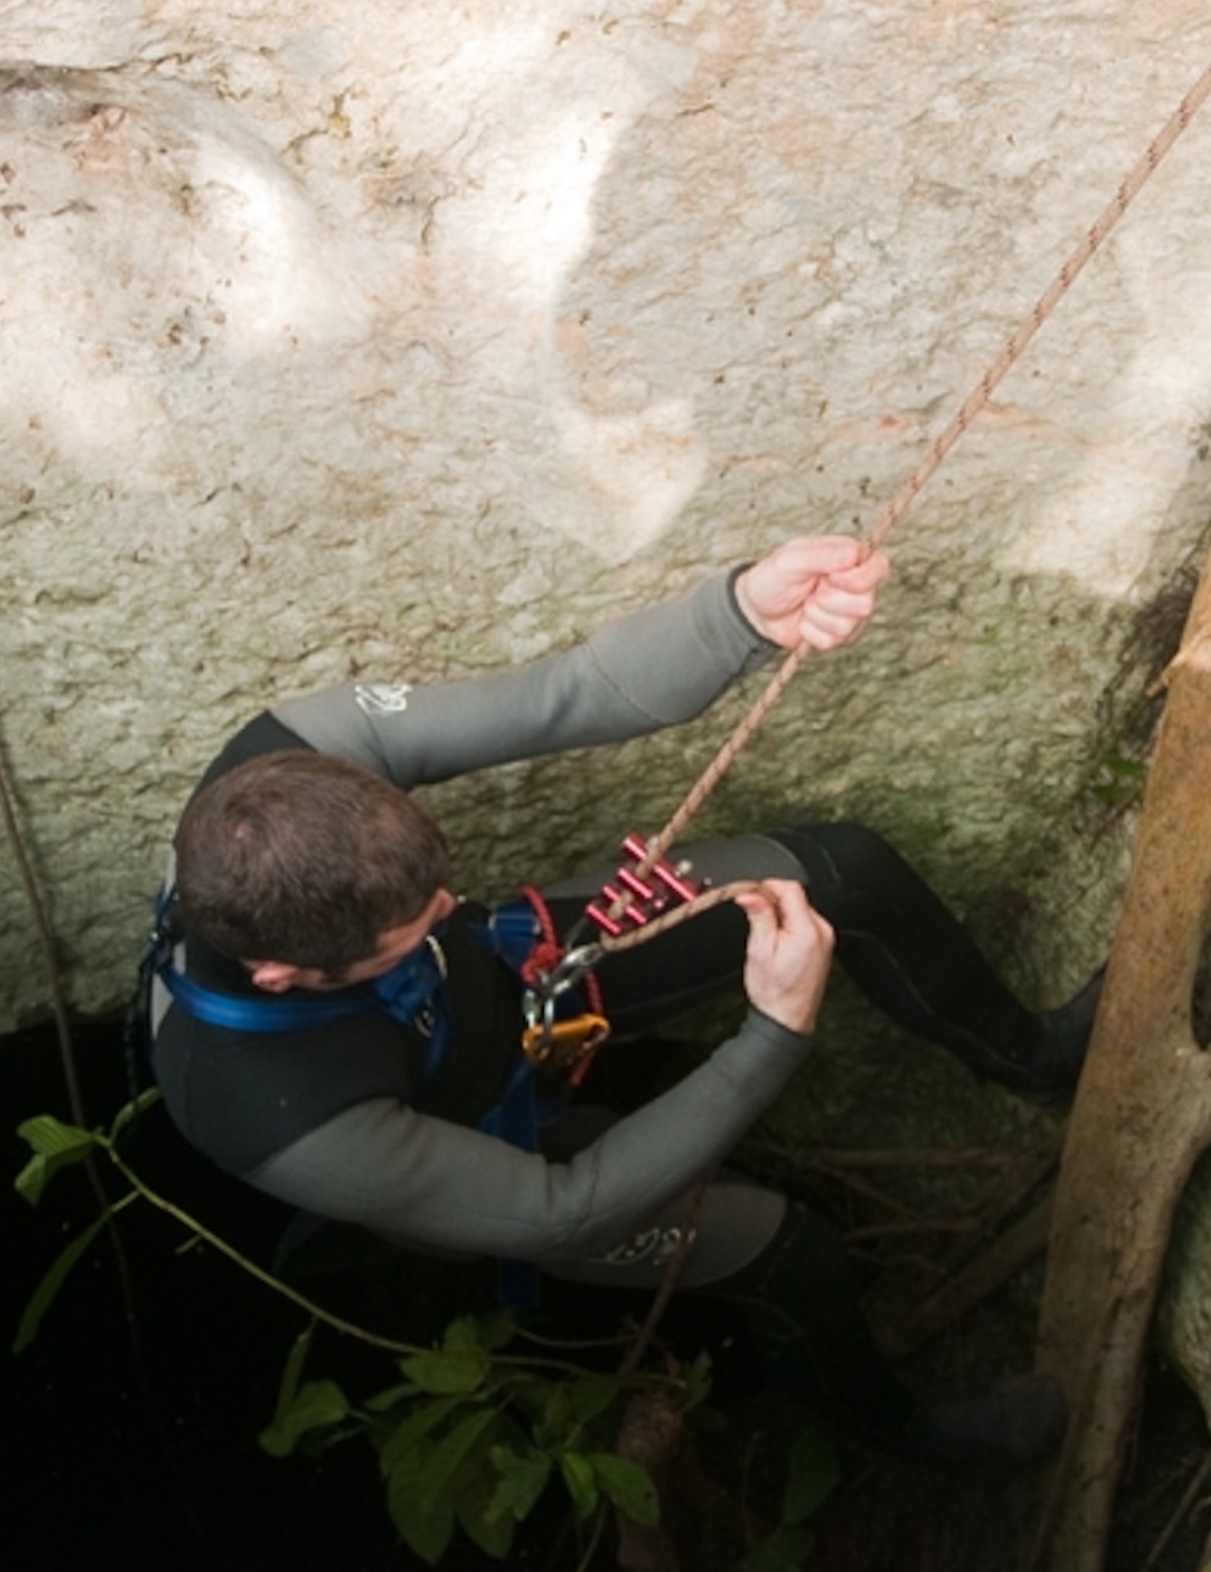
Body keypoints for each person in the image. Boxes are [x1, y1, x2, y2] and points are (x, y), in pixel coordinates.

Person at [139, 536, 1094, 1460]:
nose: (440, 914)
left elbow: (566, 694)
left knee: (847, 873)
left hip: (519, 973)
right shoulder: (265, 1109)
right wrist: (773, 1033)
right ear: (282, 975)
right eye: (409, 933)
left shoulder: (290, 765)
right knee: (793, 1253)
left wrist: (739, 615)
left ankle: (1035, 1059)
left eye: (438, 901)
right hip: (500, 1147)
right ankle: (908, 1433)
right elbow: (566, 1210)